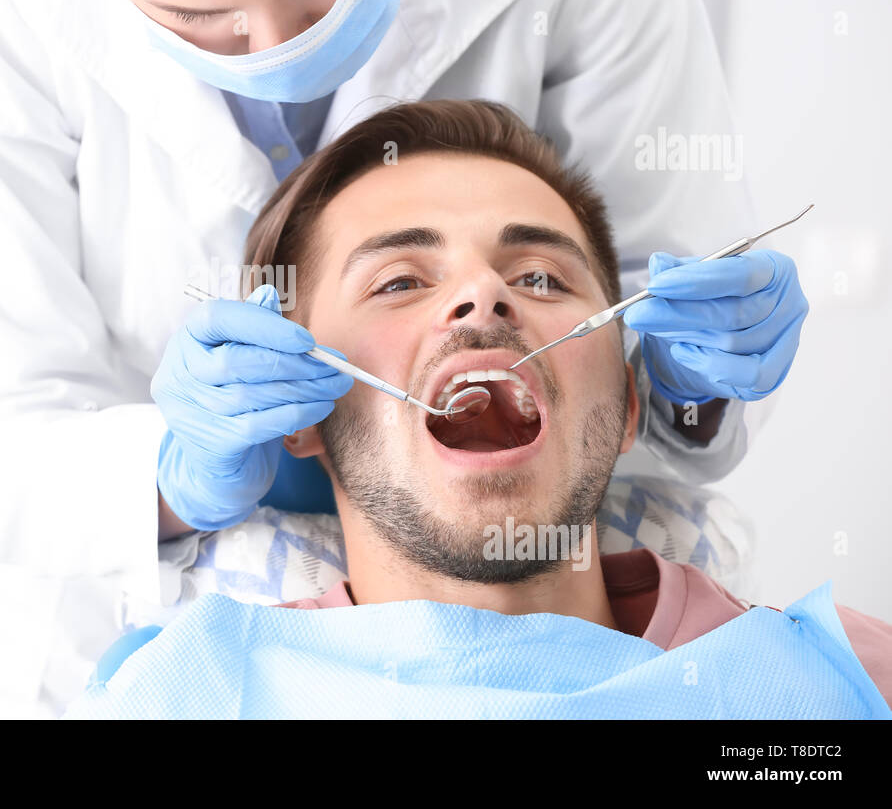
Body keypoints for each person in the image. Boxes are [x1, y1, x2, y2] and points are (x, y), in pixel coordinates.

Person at [0, 0, 808, 716]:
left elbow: (664, 281)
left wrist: (693, 383)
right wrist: (179, 471)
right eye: (194, 16)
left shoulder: (805, 689)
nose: (272, 47)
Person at [68, 101, 886, 719]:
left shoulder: (839, 681)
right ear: (299, 410)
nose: (482, 295)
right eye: (399, 281)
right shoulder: (186, 689)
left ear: (634, 399)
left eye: (540, 277)